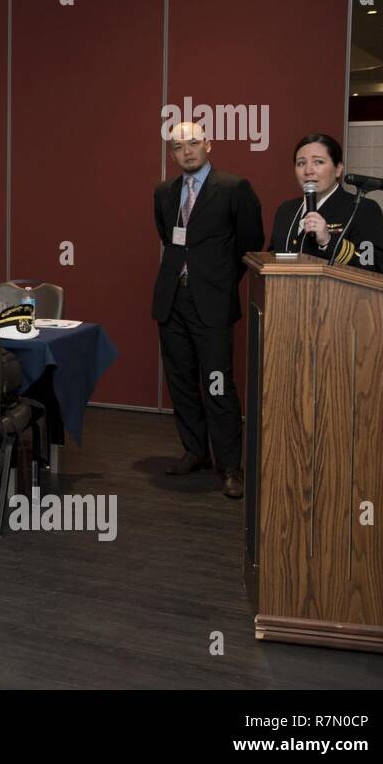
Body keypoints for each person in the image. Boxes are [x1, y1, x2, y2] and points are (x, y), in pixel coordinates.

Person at [152, 122, 264, 499]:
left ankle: (230, 466)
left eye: (194, 143)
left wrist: (219, 283)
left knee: (217, 384)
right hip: (172, 300)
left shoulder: (234, 188)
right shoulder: (164, 192)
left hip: (212, 303)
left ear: (209, 145)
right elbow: (168, 237)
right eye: (178, 146)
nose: (187, 150)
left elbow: (250, 243)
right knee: (181, 381)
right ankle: (195, 451)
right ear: (172, 154)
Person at [268, 133, 383, 274]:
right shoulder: (286, 210)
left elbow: (374, 266)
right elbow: (271, 258)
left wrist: (328, 241)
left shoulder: (362, 209)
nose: (308, 171)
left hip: (336, 295)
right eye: (301, 163)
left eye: (318, 162)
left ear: (338, 169)